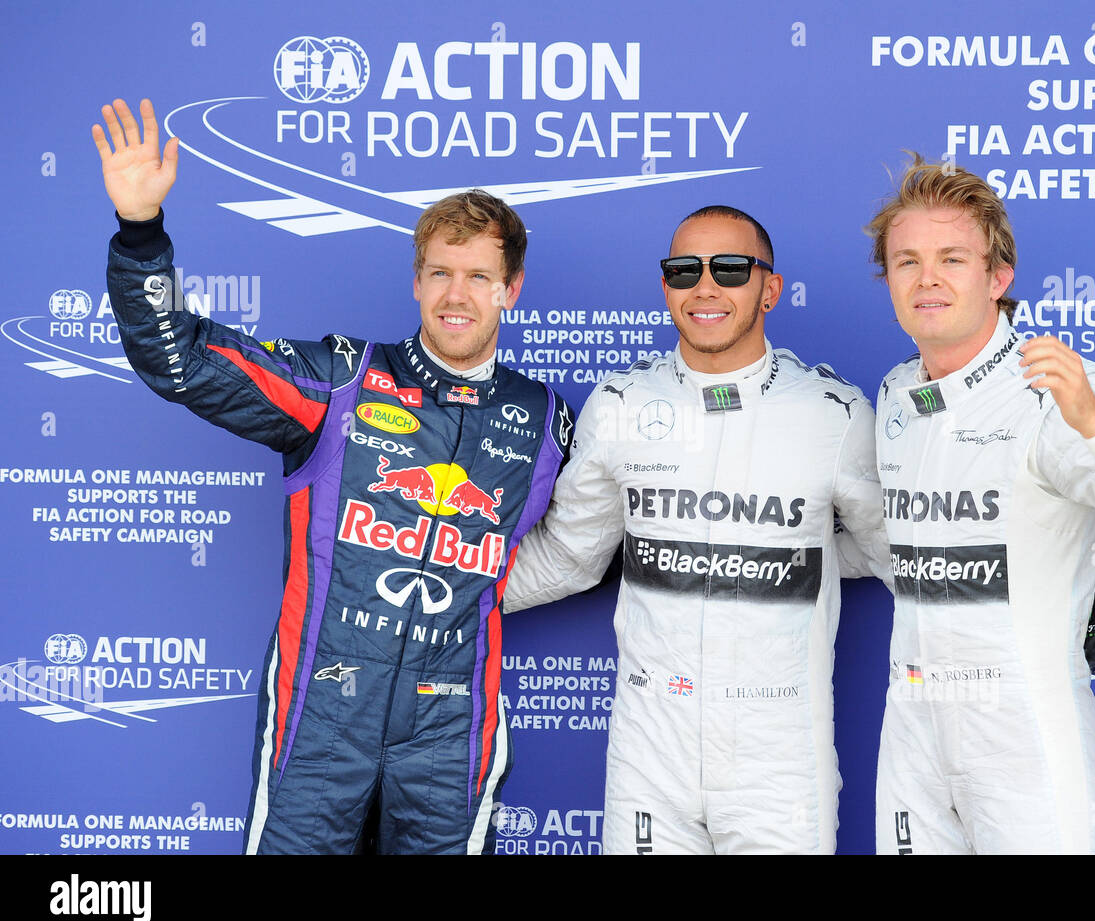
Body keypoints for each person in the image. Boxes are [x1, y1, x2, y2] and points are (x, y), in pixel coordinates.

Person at [93, 98, 571, 854]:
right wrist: (140, 229)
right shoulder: (339, 381)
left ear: (510, 289)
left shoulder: (547, 422)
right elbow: (179, 359)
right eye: (440, 273)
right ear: (416, 282)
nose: (457, 295)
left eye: (479, 276)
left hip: (451, 731)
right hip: (320, 716)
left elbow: (591, 537)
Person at [503, 206, 891, 854]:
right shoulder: (622, 405)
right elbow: (570, 556)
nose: (705, 287)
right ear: (666, 287)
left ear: (770, 288)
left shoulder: (834, 414)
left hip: (779, 760)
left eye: (730, 269)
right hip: (650, 751)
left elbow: (893, 552)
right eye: (685, 271)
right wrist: (440, 594)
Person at [865, 155, 1095, 854]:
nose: (927, 278)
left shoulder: (1056, 391)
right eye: (907, 261)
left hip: (1023, 735)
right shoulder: (897, 393)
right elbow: (897, 546)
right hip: (911, 729)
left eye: (951, 259)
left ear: (998, 278)